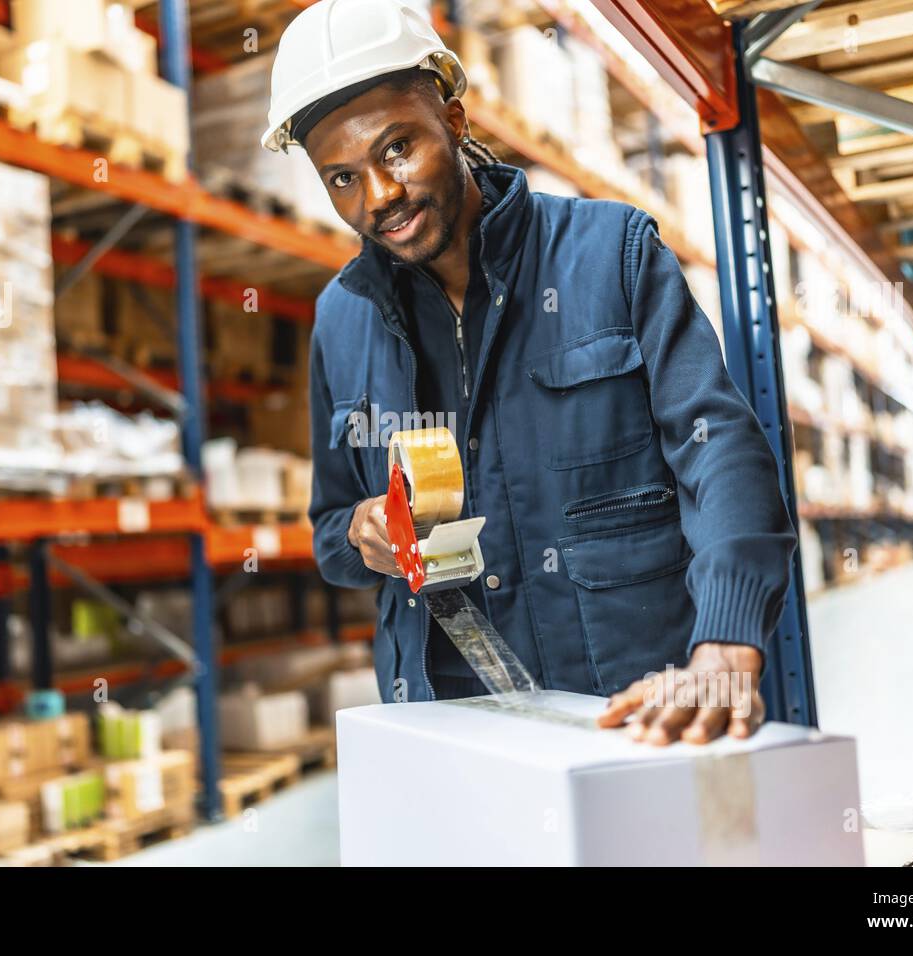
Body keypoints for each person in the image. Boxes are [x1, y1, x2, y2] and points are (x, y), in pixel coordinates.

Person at [262, 0, 794, 745]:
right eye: (343, 178)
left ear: (453, 117)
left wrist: (727, 642)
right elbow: (328, 525)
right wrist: (360, 531)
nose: (378, 196)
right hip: (455, 737)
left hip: (636, 715)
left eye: (396, 149)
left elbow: (722, 452)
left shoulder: (613, 254)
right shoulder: (341, 320)